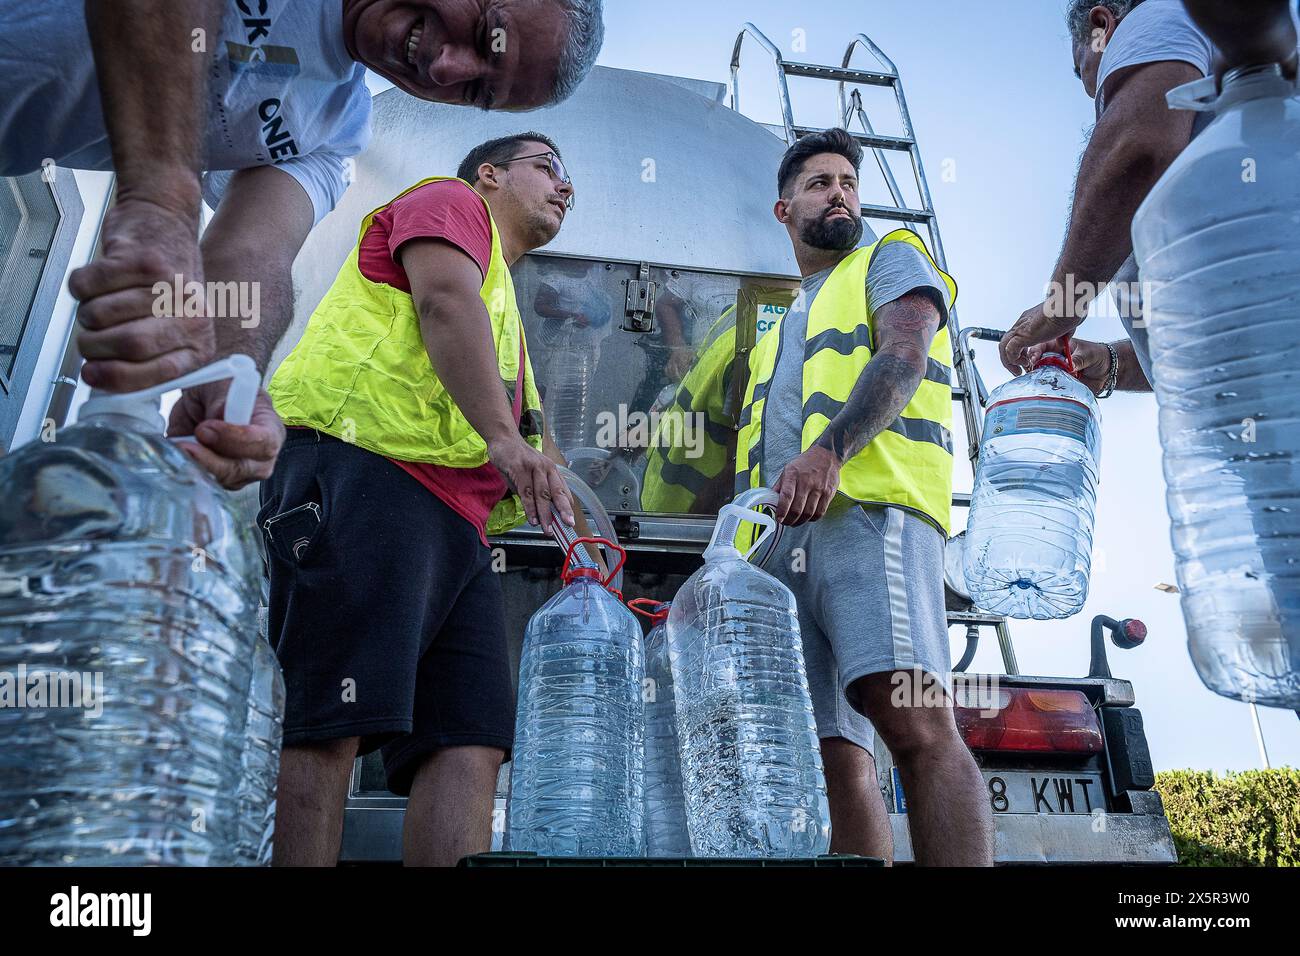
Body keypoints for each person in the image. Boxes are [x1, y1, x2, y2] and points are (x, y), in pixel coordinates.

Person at [0, 0, 604, 486]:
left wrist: (233, 376)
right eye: (486, 30)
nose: (447, 68)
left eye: (477, 91)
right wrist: (160, 202)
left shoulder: (336, 126)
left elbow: (253, 255)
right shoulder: (445, 201)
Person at [259, 133, 581, 866]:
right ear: (491, 174)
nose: (565, 187)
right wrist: (505, 439)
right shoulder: (449, 200)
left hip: (459, 531)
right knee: (329, 719)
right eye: (548, 167)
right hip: (366, 471)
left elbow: (541, 448)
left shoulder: (505, 312)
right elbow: (440, 301)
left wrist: (589, 543)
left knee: (470, 738)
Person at [734, 128, 994, 865]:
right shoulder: (785, 322)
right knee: (831, 750)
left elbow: (905, 354)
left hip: (870, 518)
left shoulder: (891, 256)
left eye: (848, 181)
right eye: (819, 183)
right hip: (784, 549)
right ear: (784, 210)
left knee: (913, 720)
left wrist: (831, 452)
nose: (839, 192)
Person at [998, 0, 1297, 395]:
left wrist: (1062, 303)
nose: (1093, 91)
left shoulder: (1155, 14)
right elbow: (1206, 349)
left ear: (1101, 26)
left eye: (1081, 68)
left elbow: (1138, 148)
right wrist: (1112, 362)